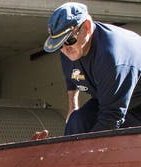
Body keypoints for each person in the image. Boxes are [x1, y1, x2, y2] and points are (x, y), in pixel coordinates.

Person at [43, 2, 141, 134]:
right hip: (109, 99)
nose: (65, 49)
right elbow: (71, 77)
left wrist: (88, 151)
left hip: (135, 106)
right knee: (77, 120)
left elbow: (111, 118)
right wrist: (73, 105)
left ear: (87, 27)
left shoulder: (111, 57)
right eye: (59, 44)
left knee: (115, 132)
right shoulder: (68, 50)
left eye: (69, 40)